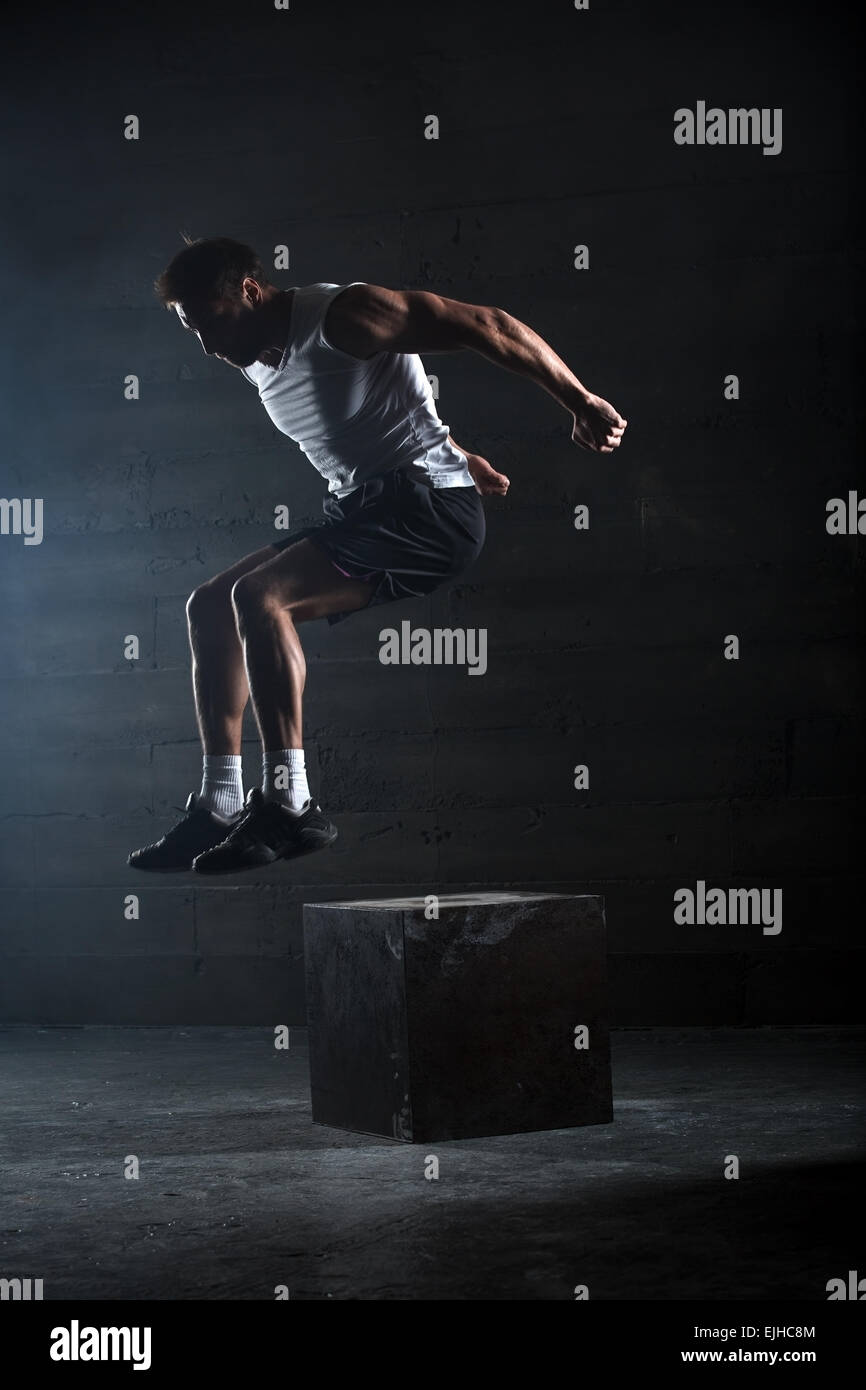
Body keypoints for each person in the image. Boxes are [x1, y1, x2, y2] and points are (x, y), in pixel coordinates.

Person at [128, 236, 627, 875]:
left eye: (210, 324)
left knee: (260, 598)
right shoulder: (255, 352)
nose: (207, 346)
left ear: (249, 292)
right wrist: (451, 447)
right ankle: (222, 799)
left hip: (427, 514)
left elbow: (488, 325)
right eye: (192, 332)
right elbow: (380, 410)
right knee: (209, 608)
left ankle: (290, 803)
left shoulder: (344, 316)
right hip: (370, 508)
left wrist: (579, 401)